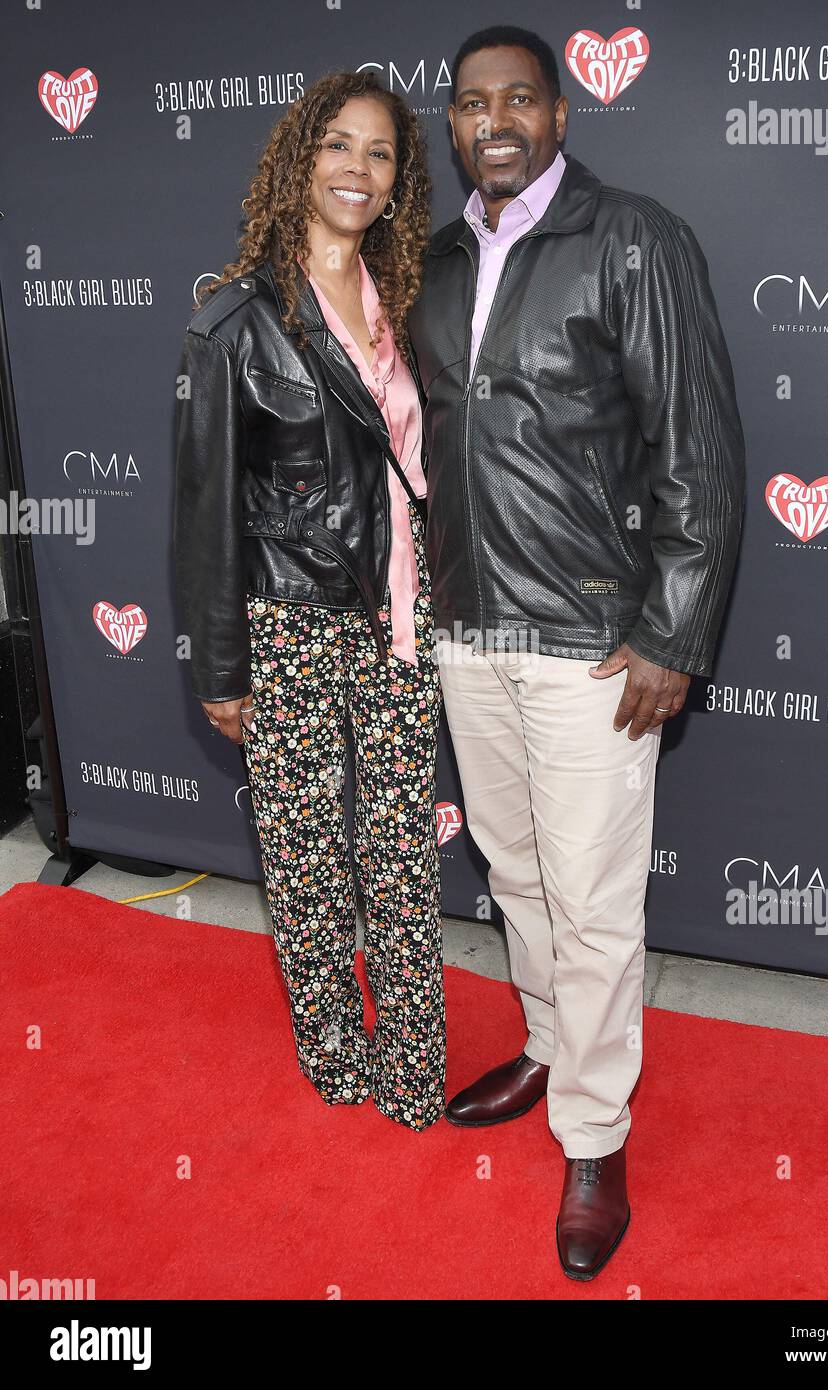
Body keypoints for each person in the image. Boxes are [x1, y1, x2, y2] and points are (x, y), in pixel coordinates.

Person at [407, 27, 746, 1274]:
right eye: (468, 104)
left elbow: (698, 449)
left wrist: (672, 632)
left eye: (517, 98)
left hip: (594, 639)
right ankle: (551, 1045)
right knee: (518, 873)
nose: (491, 119)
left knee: (595, 901)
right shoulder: (437, 260)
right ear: (451, 127)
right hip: (467, 630)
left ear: (559, 111)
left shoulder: (634, 237)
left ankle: (594, 1132)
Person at [173, 71, 445, 1133]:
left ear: (396, 181)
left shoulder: (406, 304)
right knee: (304, 862)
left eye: (379, 153)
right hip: (287, 622)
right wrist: (220, 666)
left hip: (399, 621)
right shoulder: (232, 322)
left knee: (400, 857)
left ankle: (415, 1064)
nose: (356, 169)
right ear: (299, 161)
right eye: (336, 145)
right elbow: (203, 515)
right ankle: (336, 1051)